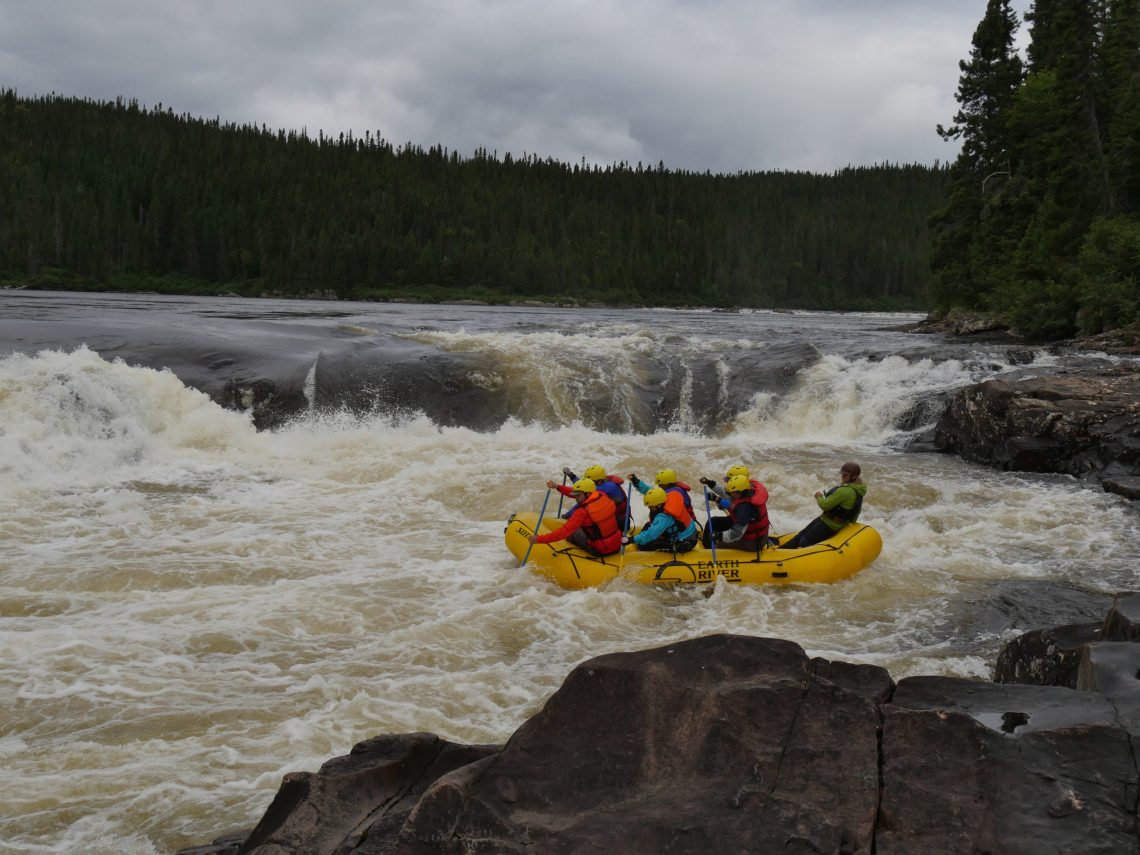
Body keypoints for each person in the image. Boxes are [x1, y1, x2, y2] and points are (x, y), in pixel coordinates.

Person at [780, 461, 866, 550]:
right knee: (800, 535)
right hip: (826, 519)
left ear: (854, 476)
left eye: (846, 475)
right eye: (843, 474)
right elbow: (857, 510)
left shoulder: (845, 491)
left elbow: (824, 505)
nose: (842, 477)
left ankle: (783, 555)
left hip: (830, 525)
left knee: (804, 542)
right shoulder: (859, 489)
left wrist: (819, 496)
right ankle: (780, 550)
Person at [528, 478, 622, 556]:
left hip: (600, 550)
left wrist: (538, 539)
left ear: (588, 494)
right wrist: (557, 487)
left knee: (572, 532)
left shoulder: (582, 512)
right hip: (617, 544)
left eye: (577, 495)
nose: (575, 498)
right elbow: (575, 493)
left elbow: (562, 533)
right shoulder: (602, 495)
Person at [700, 472, 771, 553]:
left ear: (739, 492)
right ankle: (707, 547)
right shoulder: (747, 493)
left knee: (719, 544)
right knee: (713, 521)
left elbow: (736, 534)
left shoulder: (745, 508)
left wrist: (718, 536)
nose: (730, 494)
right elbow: (729, 499)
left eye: (732, 493)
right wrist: (716, 496)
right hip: (753, 532)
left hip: (754, 543)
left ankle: (709, 554)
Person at [624, 486, 699, 553]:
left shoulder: (664, 517)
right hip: (689, 534)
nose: (649, 508)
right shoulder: (666, 498)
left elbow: (650, 534)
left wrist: (631, 540)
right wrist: (637, 483)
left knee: (645, 546)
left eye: (651, 506)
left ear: (659, 505)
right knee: (648, 525)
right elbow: (650, 491)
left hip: (685, 543)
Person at [559, 465, 629, 530]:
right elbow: (582, 485)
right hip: (615, 518)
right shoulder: (604, 482)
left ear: (599, 481)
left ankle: (567, 517)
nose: (588, 483)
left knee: (585, 500)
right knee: (587, 499)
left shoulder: (608, 487)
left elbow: (581, 488)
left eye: (590, 482)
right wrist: (571, 475)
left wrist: (568, 477)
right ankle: (567, 517)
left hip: (621, 523)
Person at [628, 468, 695, 517]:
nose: (659, 486)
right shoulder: (672, 489)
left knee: (655, 509)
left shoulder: (675, 493)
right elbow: (650, 491)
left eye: (661, 484)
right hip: (683, 521)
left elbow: (653, 493)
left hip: (683, 525)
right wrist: (636, 481)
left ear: (667, 484)